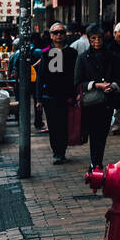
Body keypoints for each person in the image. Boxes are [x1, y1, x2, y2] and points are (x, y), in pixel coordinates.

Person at [74, 24, 120, 170]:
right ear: (88, 39)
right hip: (91, 103)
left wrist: (112, 86)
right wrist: (96, 85)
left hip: (107, 102)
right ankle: (95, 164)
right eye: (93, 38)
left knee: (102, 135)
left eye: (99, 38)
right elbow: (77, 83)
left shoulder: (112, 57)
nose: (97, 41)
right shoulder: (83, 58)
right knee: (94, 134)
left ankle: (96, 163)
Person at [34, 23, 78, 163]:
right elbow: (40, 77)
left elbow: (75, 75)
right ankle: (57, 153)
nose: (59, 35)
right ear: (51, 35)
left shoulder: (72, 53)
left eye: (61, 32)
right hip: (50, 96)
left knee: (65, 125)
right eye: (55, 32)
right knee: (53, 126)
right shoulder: (46, 53)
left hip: (67, 96)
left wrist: (76, 93)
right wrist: (39, 98)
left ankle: (62, 151)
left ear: (65, 34)